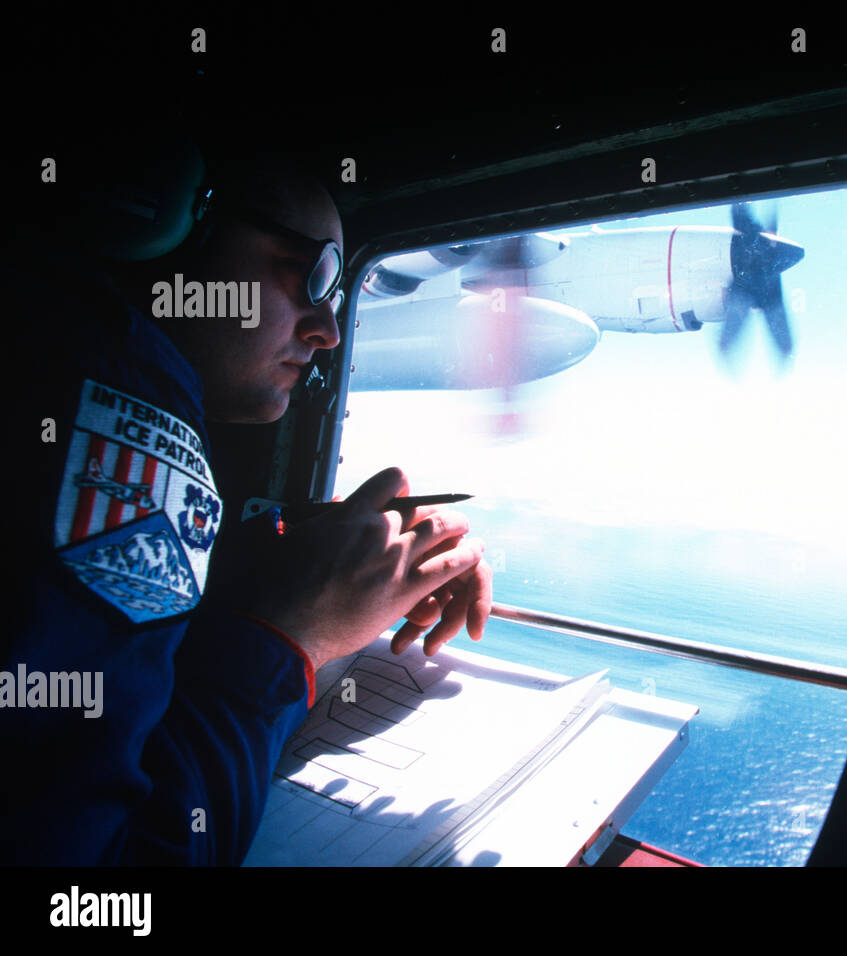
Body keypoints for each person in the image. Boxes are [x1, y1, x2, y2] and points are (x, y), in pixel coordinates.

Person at [1, 150, 493, 864]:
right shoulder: (122, 383)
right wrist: (287, 639)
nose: (327, 329)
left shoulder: (50, 356)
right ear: (171, 224)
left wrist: (297, 556)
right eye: (314, 273)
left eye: (340, 293)